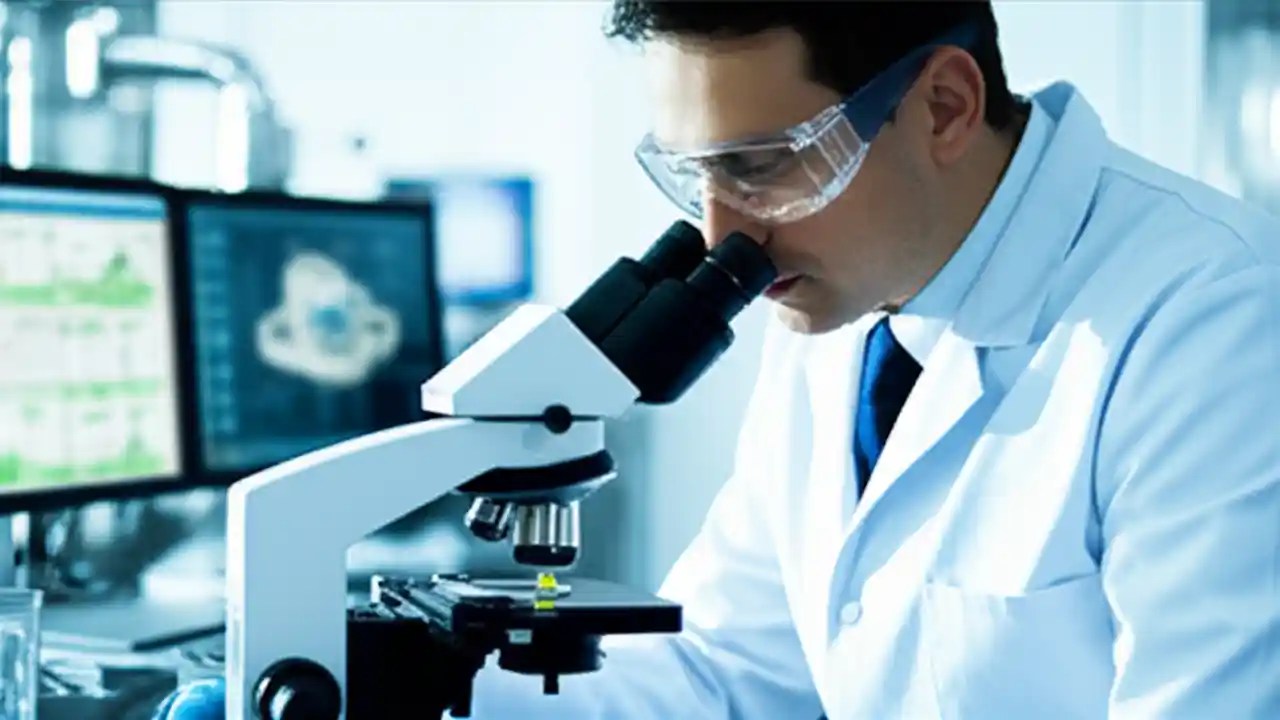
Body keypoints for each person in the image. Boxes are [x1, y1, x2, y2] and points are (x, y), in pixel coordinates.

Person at [158, 1, 1280, 718]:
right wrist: (416, 698)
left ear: (943, 105)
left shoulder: (1212, 318)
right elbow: (728, 673)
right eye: (694, 173)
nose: (718, 235)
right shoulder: (842, 294)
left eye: (759, 165)